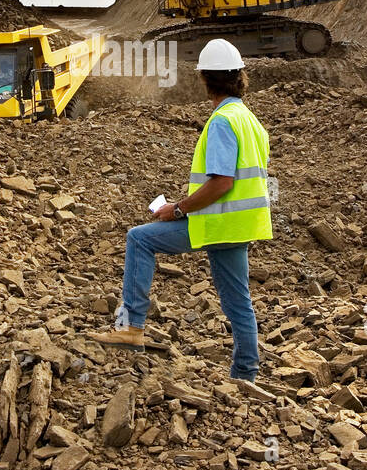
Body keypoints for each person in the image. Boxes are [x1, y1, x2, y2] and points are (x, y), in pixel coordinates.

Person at [89, 38, 271, 382]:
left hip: (216, 223)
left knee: (139, 239)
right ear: (239, 77)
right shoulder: (249, 120)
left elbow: (221, 183)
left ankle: (131, 328)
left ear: (204, 79)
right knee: (238, 303)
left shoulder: (222, 122)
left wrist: (179, 209)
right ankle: (245, 375)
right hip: (240, 226)